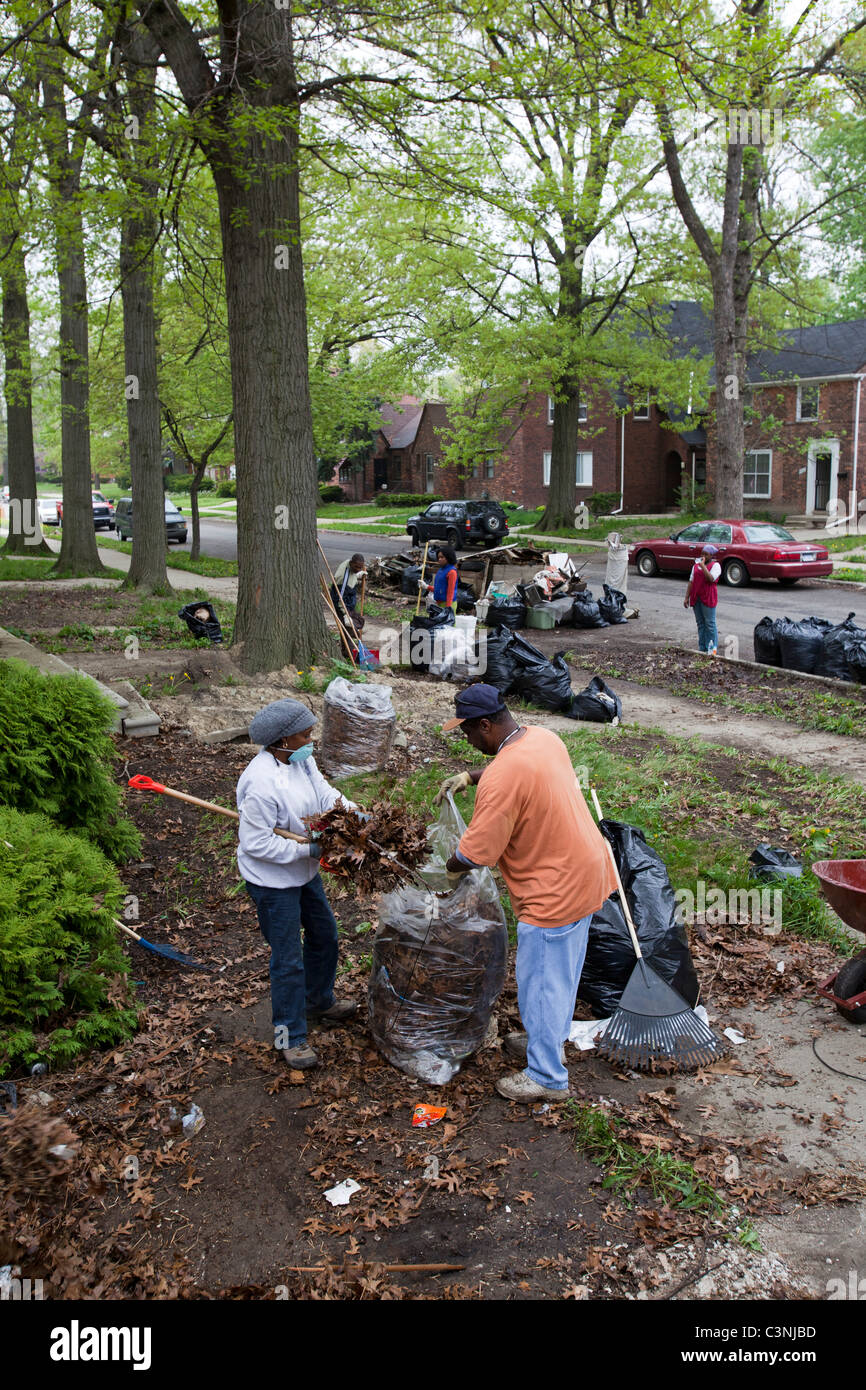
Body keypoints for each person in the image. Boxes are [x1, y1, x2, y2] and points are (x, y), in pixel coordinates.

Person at [436, 685, 617, 1103]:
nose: (466, 740)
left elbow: (476, 852)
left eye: (466, 732)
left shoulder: (502, 777)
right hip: (587, 871)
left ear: (485, 725)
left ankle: (546, 1077)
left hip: (553, 892)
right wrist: (471, 774)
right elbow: (521, 770)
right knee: (562, 976)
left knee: (541, 984)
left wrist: (445, 870)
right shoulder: (542, 738)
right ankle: (544, 1040)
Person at [237, 698, 358, 1070]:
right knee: (288, 958)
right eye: (306, 734)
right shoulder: (258, 784)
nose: (312, 740)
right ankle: (290, 1035)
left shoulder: (300, 758)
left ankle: (317, 1000)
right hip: (272, 881)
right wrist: (310, 850)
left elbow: (324, 794)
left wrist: (354, 813)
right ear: (283, 739)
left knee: (325, 935)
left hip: (304, 872)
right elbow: (257, 844)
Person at [684, 543, 721, 654]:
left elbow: (710, 578)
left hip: (708, 596)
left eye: (706, 554)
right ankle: (702, 647)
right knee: (700, 623)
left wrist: (703, 566)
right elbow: (691, 581)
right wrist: (687, 597)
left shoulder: (716, 566)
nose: (703, 556)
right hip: (696, 596)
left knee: (710, 623)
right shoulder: (695, 566)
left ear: (711, 556)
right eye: (702, 553)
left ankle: (712, 649)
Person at [331, 553, 366, 635]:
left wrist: (359, 575)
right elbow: (340, 598)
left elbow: (353, 574)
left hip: (349, 601)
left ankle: (352, 638)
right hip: (342, 606)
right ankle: (349, 645)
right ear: (351, 563)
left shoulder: (349, 564)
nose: (358, 569)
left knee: (358, 622)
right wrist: (346, 614)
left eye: (360, 567)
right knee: (347, 630)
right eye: (356, 567)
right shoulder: (344, 579)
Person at [425, 544, 458, 613]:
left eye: (442, 557)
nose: (439, 559)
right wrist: (426, 586)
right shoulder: (441, 570)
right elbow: (440, 588)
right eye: (438, 557)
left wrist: (448, 608)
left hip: (448, 604)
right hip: (438, 603)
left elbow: (450, 592)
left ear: (448, 557)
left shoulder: (451, 572)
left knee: (447, 623)